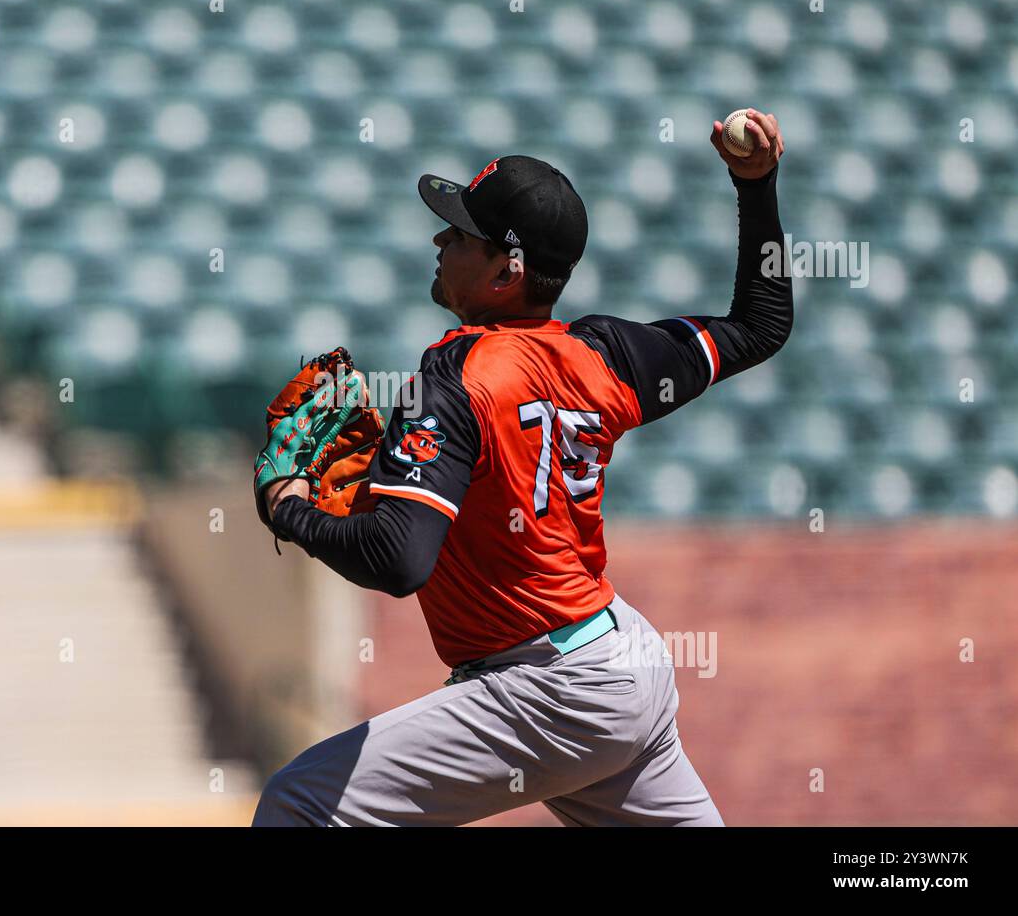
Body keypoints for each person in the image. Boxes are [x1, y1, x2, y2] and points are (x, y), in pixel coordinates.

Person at [252, 110, 790, 826]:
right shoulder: (607, 356)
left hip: (550, 691)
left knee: (299, 804)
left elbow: (399, 559)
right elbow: (762, 323)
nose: (441, 238)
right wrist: (758, 186)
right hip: (618, 662)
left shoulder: (454, 375)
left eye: (462, 233)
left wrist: (289, 507)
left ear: (508, 269)